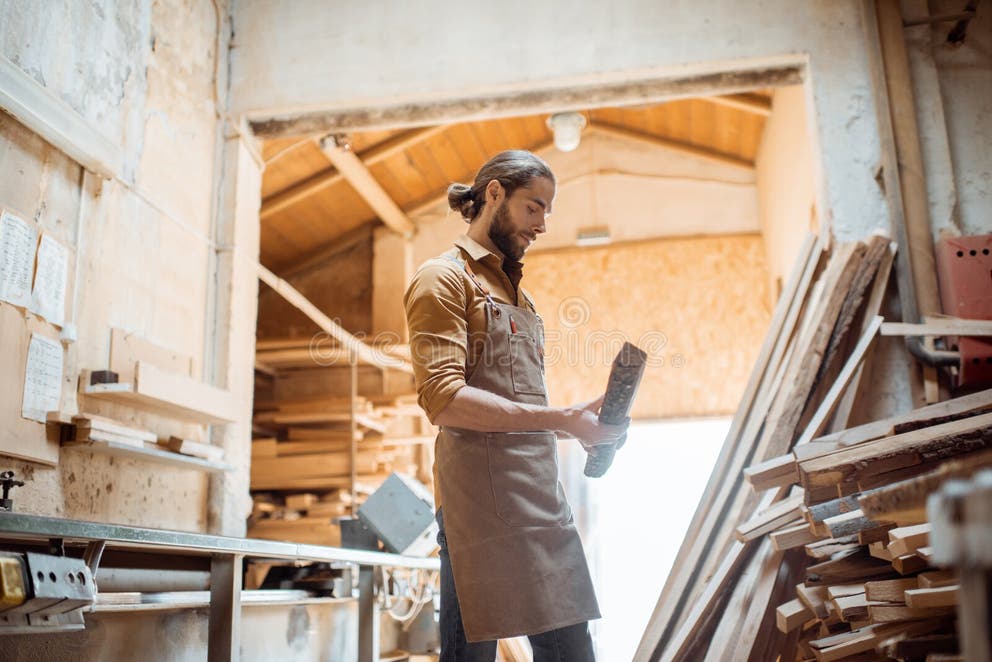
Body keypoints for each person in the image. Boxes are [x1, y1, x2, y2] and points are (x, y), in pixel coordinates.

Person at [403, 150, 629, 661]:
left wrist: (582, 425)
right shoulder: (443, 279)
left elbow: (520, 401)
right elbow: (444, 399)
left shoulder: (521, 299)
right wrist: (560, 420)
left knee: (573, 653)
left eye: (547, 210)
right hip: (480, 510)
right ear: (495, 194)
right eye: (534, 207)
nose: (543, 224)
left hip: (540, 500)